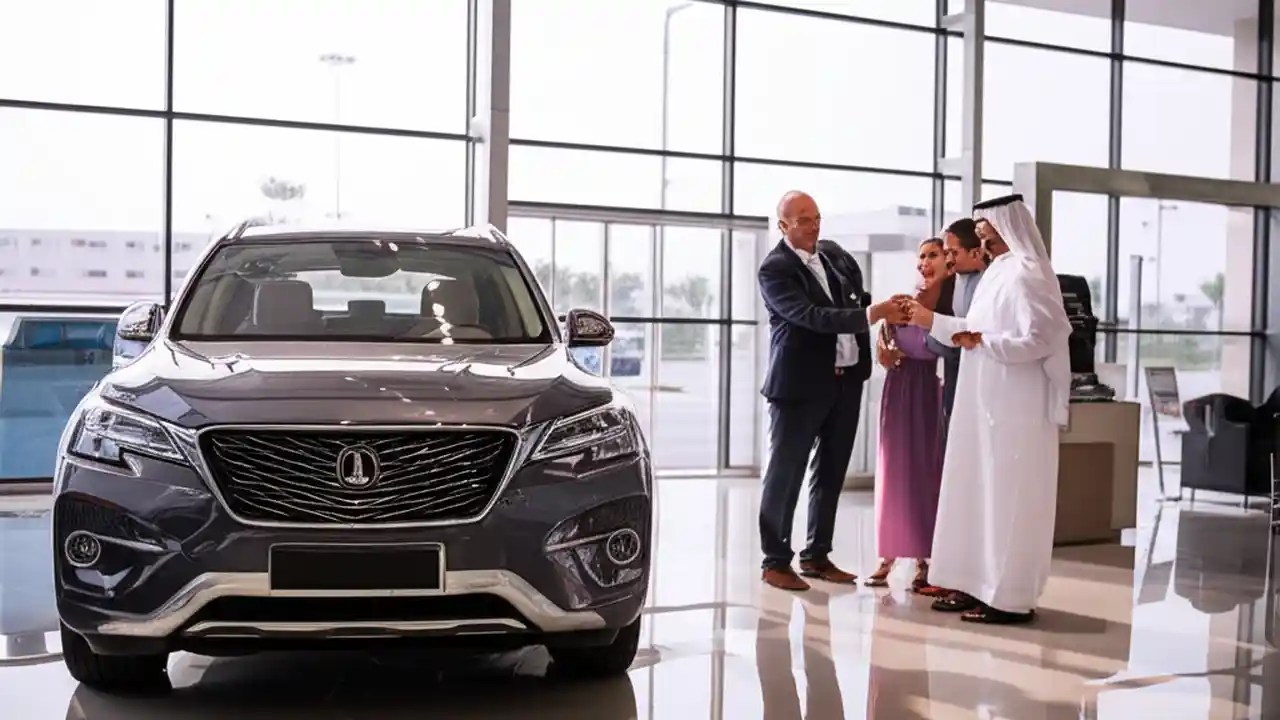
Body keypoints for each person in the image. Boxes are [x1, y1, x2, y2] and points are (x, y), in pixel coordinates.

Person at [904, 194, 1072, 624]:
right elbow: (972, 329)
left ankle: (1008, 598)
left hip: (1016, 408)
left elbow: (1043, 338)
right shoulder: (997, 271)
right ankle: (973, 585)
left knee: (1007, 499)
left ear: (1008, 229)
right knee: (975, 491)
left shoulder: (1031, 273)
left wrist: (986, 343)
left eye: (987, 234)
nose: (981, 242)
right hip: (982, 403)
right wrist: (929, 320)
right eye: (979, 235)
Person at [757, 190, 910, 592]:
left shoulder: (836, 256)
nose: (814, 226)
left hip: (846, 382)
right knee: (786, 473)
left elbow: (856, 301)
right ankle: (775, 561)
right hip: (799, 386)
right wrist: (873, 313)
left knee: (831, 472)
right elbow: (812, 317)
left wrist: (888, 315)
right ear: (783, 225)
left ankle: (817, 555)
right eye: (803, 220)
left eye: (817, 217)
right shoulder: (775, 269)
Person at [864, 237, 949, 592]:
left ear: (948, 260)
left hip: (931, 390)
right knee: (893, 469)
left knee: (927, 471)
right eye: (921, 256)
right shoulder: (902, 301)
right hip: (899, 389)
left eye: (933, 255)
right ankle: (888, 554)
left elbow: (946, 347)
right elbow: (885, 345)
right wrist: (883, 344)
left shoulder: (951, 305)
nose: (924, 262)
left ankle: (925, 558)